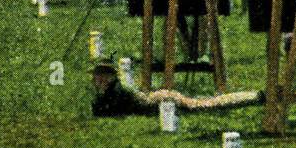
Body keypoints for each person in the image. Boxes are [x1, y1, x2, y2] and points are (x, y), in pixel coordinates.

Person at [90, 60, 262, 117]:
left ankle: (254, 96)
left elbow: (103, 110)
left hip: (161, 100)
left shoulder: (117, 92)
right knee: (205, 103)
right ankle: (253, 96)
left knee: (204, 105)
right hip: (160, 98)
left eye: (99, 77)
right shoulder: (114, 90)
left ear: (107, 77)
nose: (96, 81)